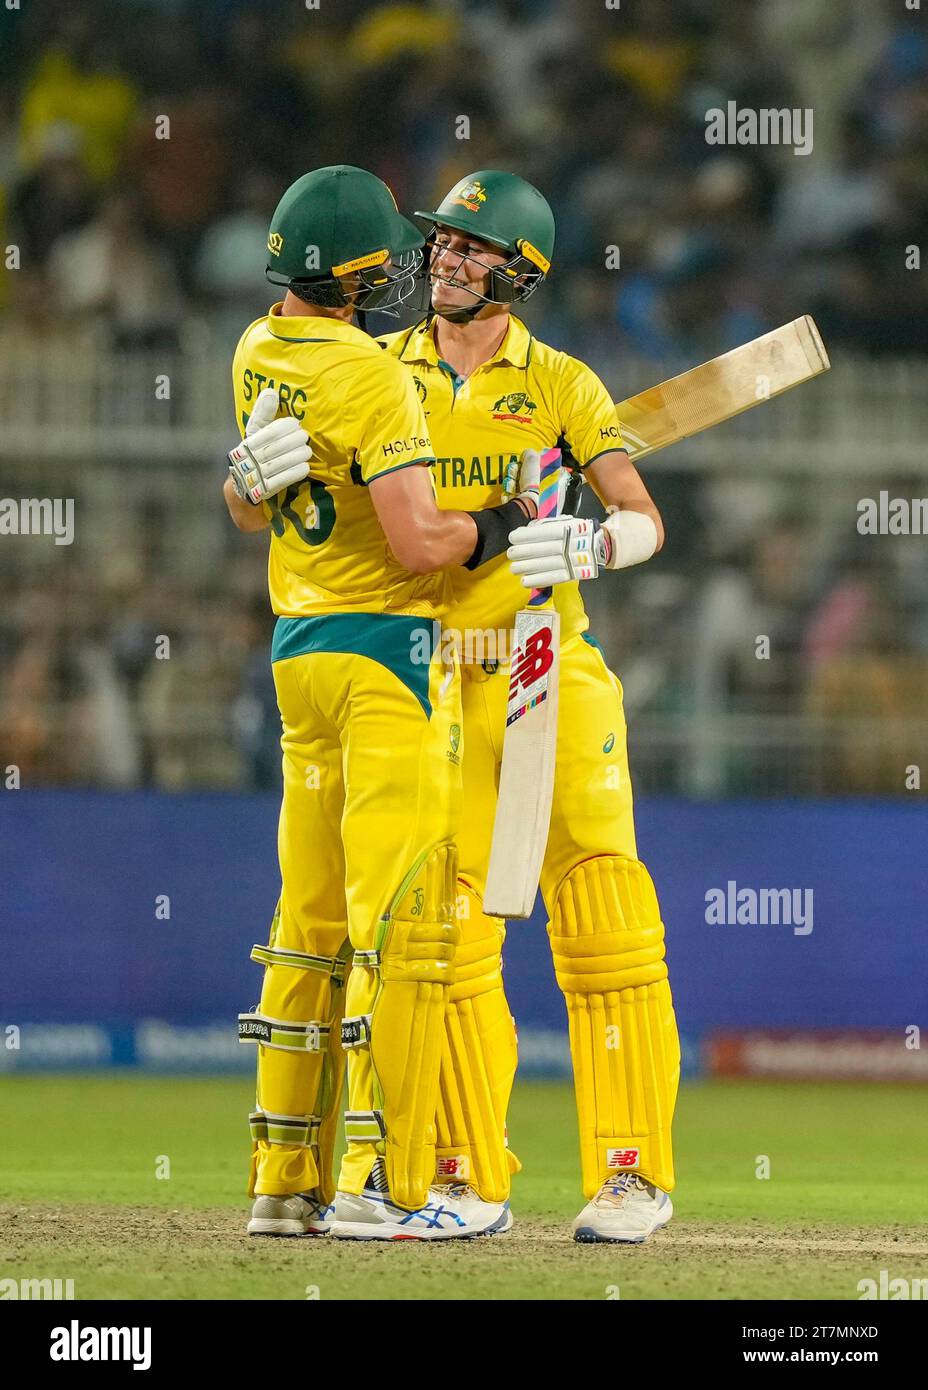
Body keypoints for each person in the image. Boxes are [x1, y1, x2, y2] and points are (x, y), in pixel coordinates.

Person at [230, 168, 680, 1244]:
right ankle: (464, 1178)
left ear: (520, 272)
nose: (443, 258)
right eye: (437, 241)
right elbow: (277, 513)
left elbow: (645, 514)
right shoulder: (375, 366)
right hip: (432, 667)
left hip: (545, 658)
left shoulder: (564, 384)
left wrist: (596, 541)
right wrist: (244, 478)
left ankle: (631, 1175)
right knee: (440, 933)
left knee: (601, 906)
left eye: (470, 248)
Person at [223, 165, 538, 1241]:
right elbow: (417, 541)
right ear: (353, 274)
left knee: (302, 925)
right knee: (391, 922)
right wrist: (498, 518)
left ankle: (279, 1178)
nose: (413, 266)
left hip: (294, 651)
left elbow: (245, 501)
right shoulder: (372, 373)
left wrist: (240, 482)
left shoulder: (253, 347)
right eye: (389, 254)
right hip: (385, 658)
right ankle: (379, 1177)